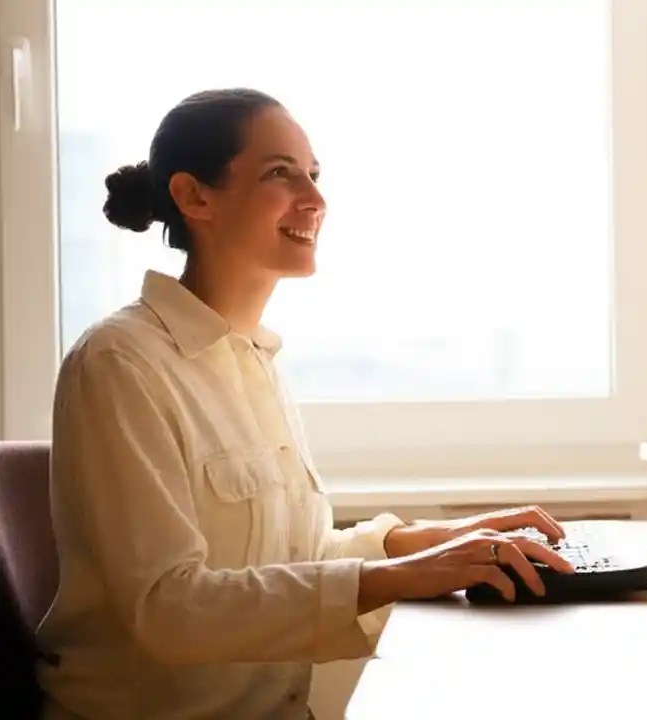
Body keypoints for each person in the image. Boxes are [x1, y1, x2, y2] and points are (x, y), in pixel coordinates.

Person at [35, 88, 575, 720]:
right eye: (279, 174)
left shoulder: (253, 360)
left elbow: (298, 560)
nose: (315, 199)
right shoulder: (119, 363)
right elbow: (168, 608)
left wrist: (436, 542)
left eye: (314, 175)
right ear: (193, 196)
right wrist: (410, 574)